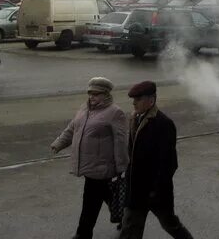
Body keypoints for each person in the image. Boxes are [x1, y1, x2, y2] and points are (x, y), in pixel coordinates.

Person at [51, 77, 129, 239]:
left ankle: (83, 233)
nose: (92, 97)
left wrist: (122, 166)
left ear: (106, 94)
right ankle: (127, 219)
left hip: (102, 166)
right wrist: (58, 143)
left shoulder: (115, 113)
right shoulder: (84, 109)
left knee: (90, 201)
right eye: (90, 93)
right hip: (89, 165)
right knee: (109, 195)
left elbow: (121, 141)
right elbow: (72, 128)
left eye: (96, 94)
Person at [119, 81, 194, 239]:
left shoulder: (164, 124)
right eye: (133, 99)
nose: (134, 103)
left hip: (156, 192)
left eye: (138, 99)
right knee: (129, 228)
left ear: (151, 101)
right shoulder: (134, 118)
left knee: (170, 224)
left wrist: (155, 190)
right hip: (135, 189)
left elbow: (169, 163)